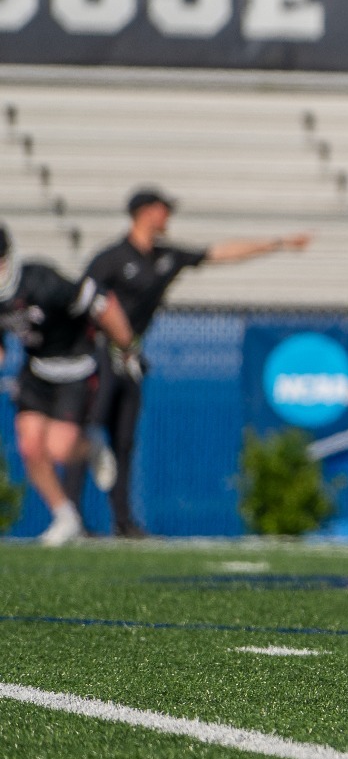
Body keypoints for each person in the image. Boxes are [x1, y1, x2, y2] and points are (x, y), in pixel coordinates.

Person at [79, 186, 311, 536]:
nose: (168, 217)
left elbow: (219, 253)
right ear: (145, 212)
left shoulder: (166, 257)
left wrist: (276, 243)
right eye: (163, 209)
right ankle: (72, 518)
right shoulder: (110, 258)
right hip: (99, 353)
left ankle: (122, 521)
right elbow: (83, 301)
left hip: (132, 357)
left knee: (124, 440)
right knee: (88, 432)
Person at [0, 221, 136, 546]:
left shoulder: (40, 280)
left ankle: (91, 445)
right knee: (30, 446)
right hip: (36, 370)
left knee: (60, 449)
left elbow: (101, 302)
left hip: (76, 368)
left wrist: (127, 347)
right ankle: (65, 515)